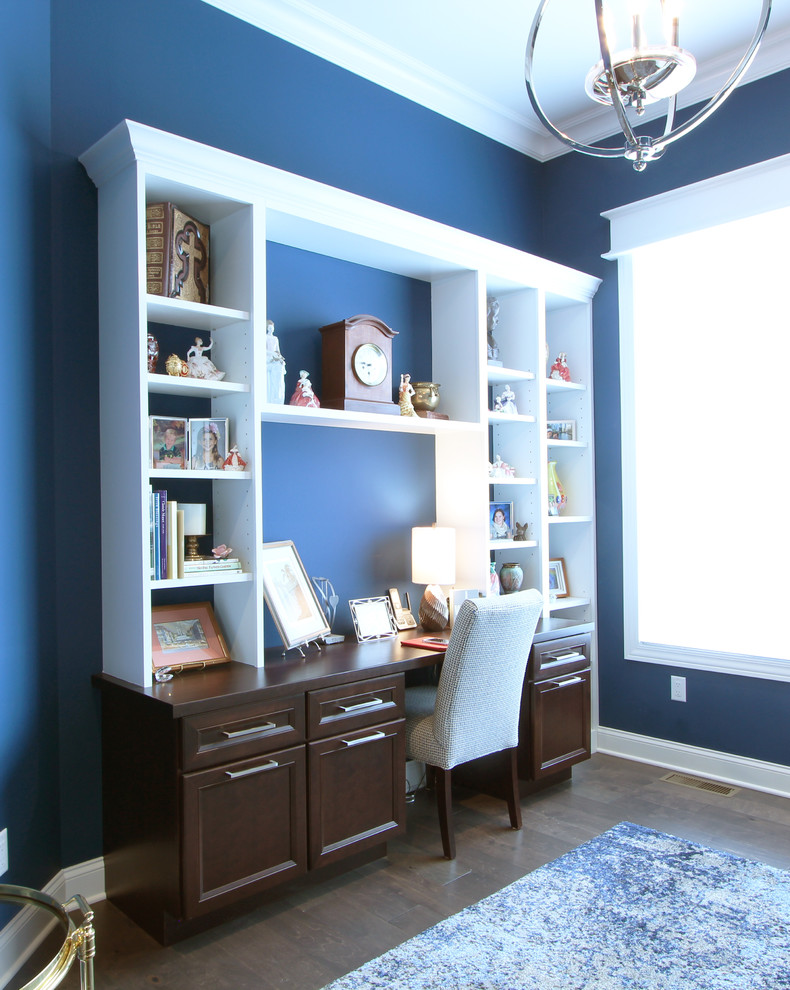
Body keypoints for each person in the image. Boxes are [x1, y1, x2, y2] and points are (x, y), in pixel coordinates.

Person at [266, 320, 286, 404]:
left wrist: (280, 358)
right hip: (268, 358)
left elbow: (278, 350)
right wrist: (272, 354)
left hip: (275, 357)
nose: (271, 329)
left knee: (280, 367)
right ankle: (271, 398)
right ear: (267, 328)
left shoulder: (275, 338)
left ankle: (278, 397)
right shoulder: (264, 337)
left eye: (272, 327)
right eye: (269, 327)